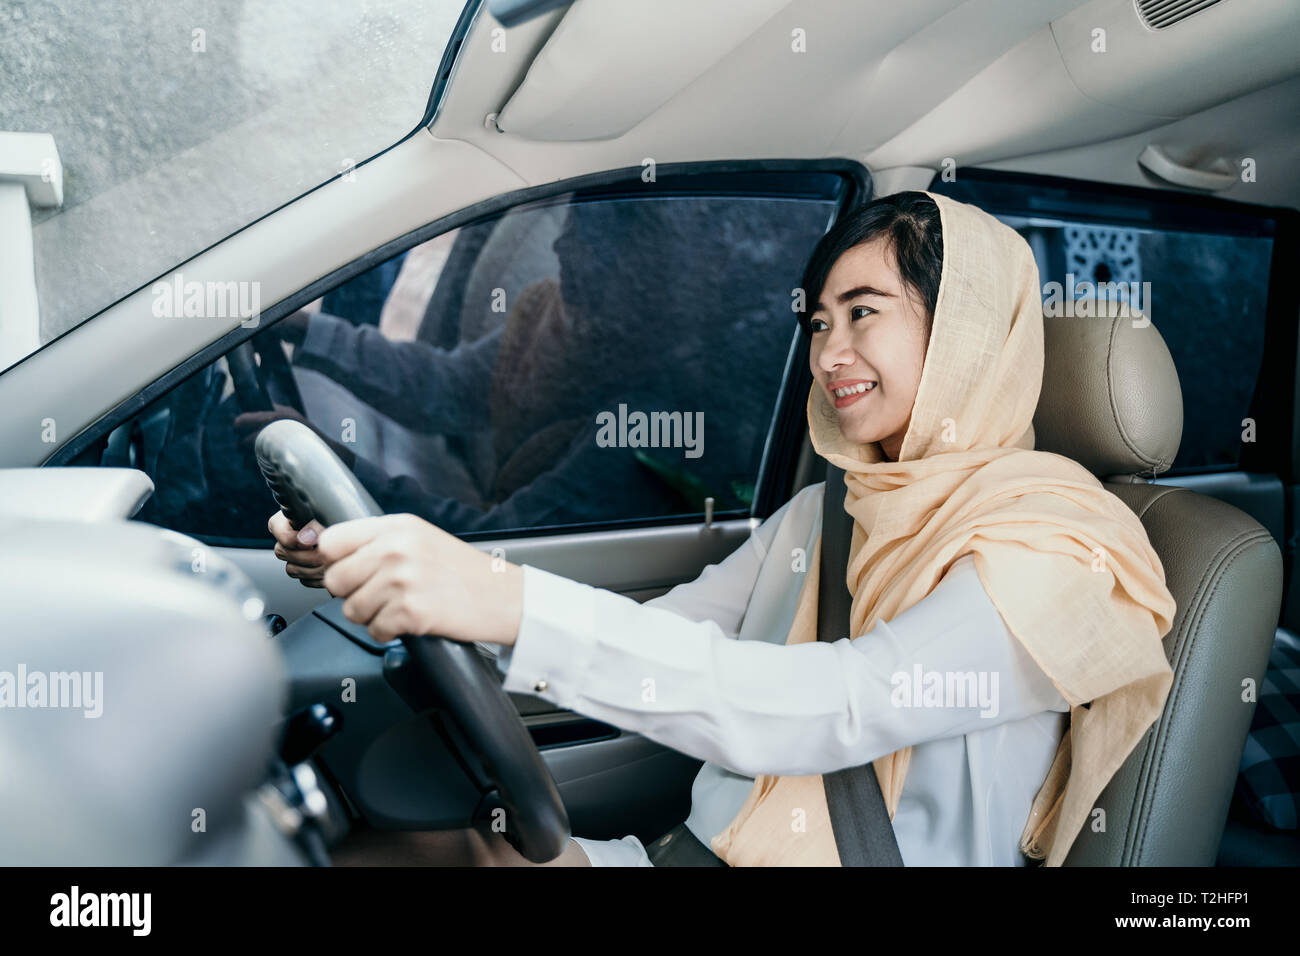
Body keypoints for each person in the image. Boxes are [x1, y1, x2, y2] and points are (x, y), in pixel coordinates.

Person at [267, 190, 1177, 866]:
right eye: (819, 323)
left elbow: (836, 705)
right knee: (430, 850)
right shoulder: (832, 509)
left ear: (968, 331)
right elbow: (676, 634)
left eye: (864, 313)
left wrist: (500, 596)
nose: (828, 353)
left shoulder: (1059, 551)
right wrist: (403, 581)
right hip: (696, 857)